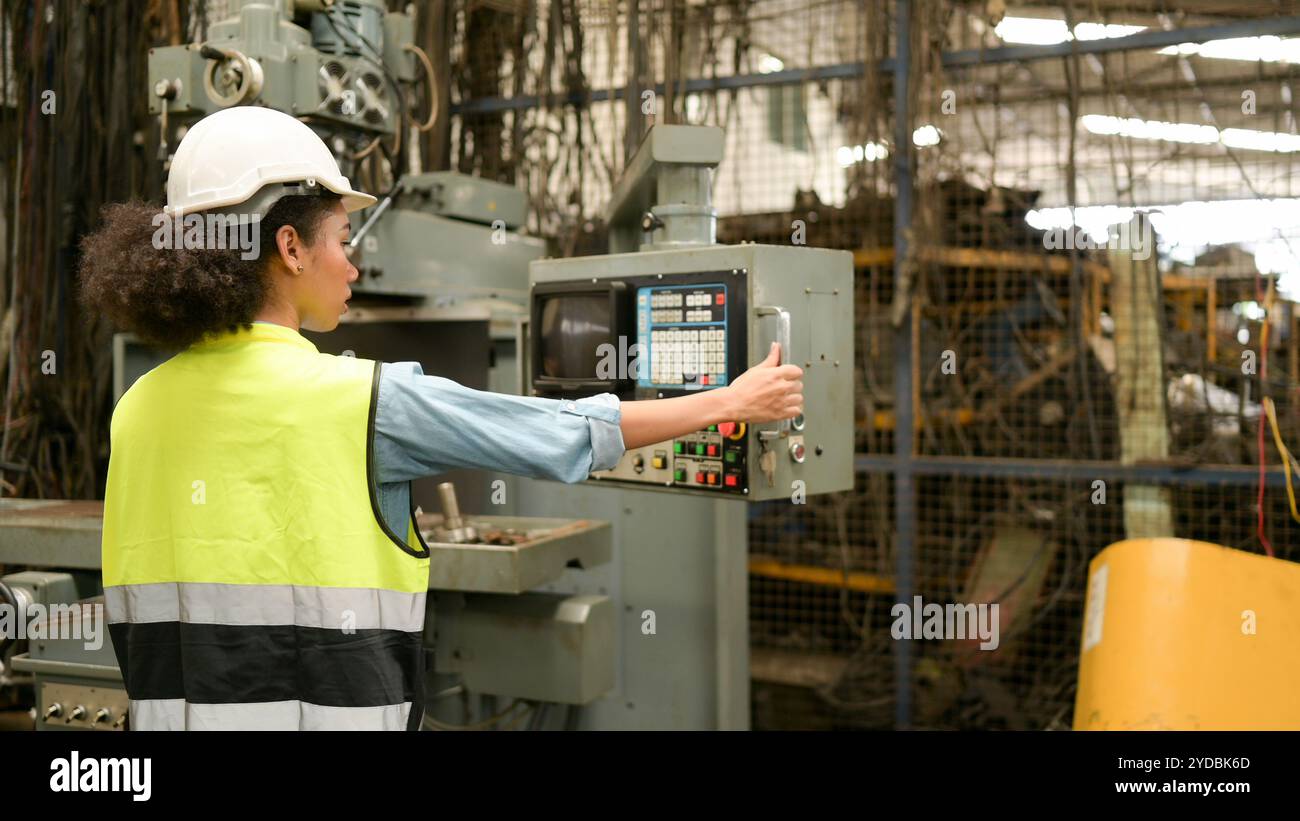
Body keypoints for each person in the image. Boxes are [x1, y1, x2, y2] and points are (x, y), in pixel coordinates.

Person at [78, 106, 804, 731]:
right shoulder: (367, 401)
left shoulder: (135, 409)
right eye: (339, 238)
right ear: (290, 247)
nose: (353, 265)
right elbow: (562, 435)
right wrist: (734, 401)